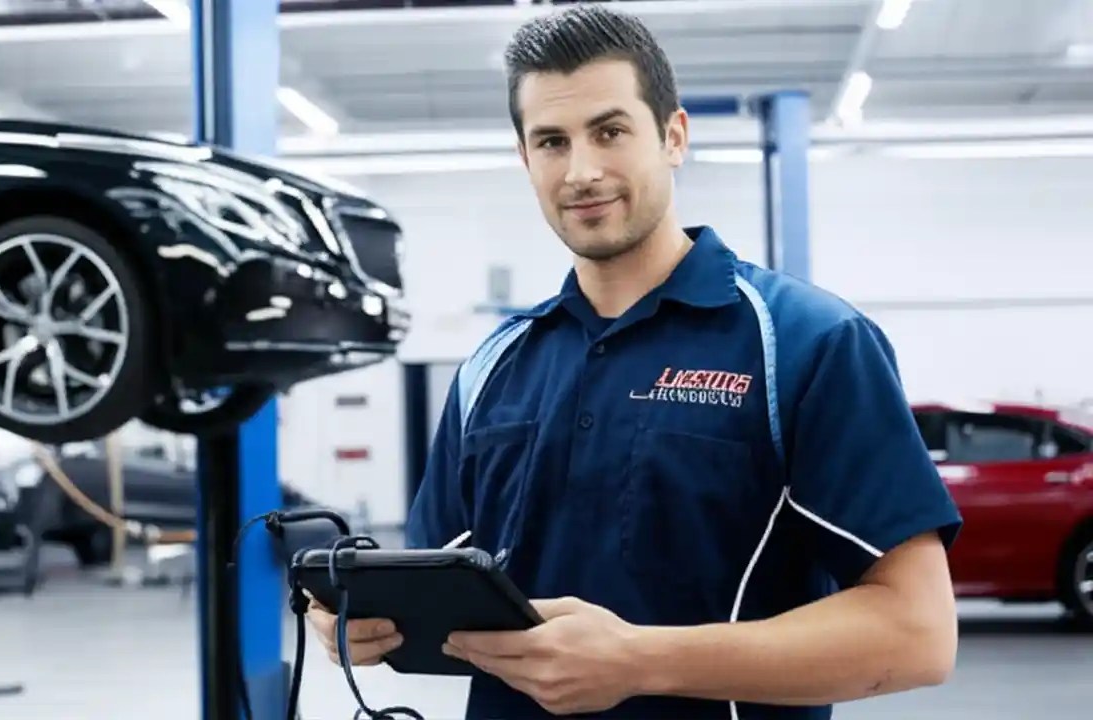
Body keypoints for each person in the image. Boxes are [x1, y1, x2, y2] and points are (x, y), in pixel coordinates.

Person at [308, 4, 963, 718]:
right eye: (552, 141)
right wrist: (356, 617)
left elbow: (917, 633)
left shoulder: (807, 343)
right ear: (526, 158)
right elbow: (434, 588)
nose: (582, 170)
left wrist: (643, 662)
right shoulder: (492, 367)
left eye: (610, 131)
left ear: (673, 136)